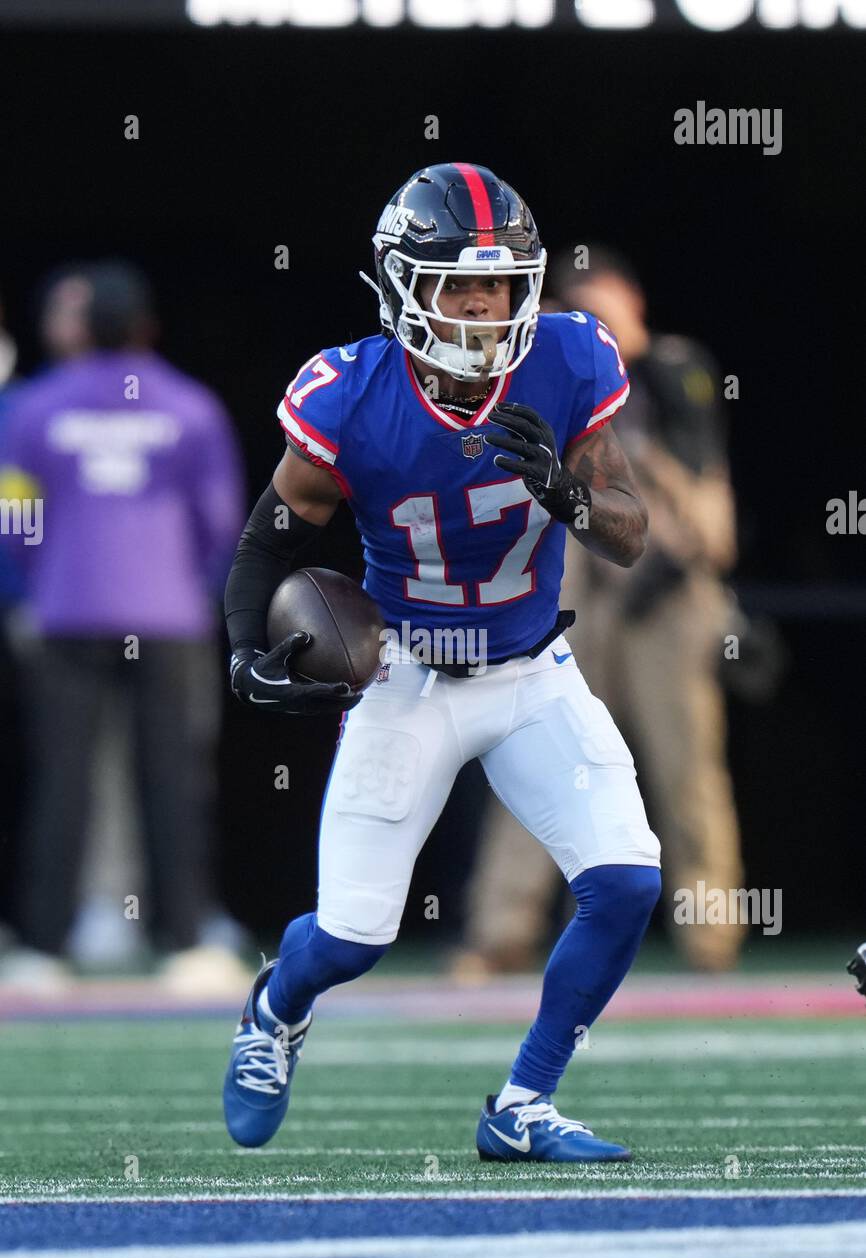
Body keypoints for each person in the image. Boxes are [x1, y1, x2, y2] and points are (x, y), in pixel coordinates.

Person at [222, 164, 661, 1163]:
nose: (480, 305)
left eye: (498, 284)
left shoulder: (567, 361)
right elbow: (266, 546)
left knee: (626, 881)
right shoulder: (349, 393)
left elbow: (630, 536)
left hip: (529, 668)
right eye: (457, 285)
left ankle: (521, 1103)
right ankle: (275, 1003)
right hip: (406, 678)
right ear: (399, 286)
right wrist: (247, 650)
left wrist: (569, 493)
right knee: (350, 939)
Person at [456, 248, 744, 974]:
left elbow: (701, 488)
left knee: (685, 768)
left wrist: (627, 348)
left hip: (669, 585)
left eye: (600, 304)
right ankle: (503, 933)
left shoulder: (675, 365)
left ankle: (709, 935)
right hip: (583, 586)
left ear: (632, 299)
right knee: (538, 755)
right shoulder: (559, 368)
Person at [2, 261, 247, 989]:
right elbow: (220, 523)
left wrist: (28, 586)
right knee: (170, 781)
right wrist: (199, 593)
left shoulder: (37, 406)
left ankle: (44, 949)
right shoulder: (191, 405)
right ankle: (186, 942)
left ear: (81, 330)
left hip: (66, 613)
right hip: (165, 616)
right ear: (147, 327)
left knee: (62, 783)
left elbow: (13, 516)